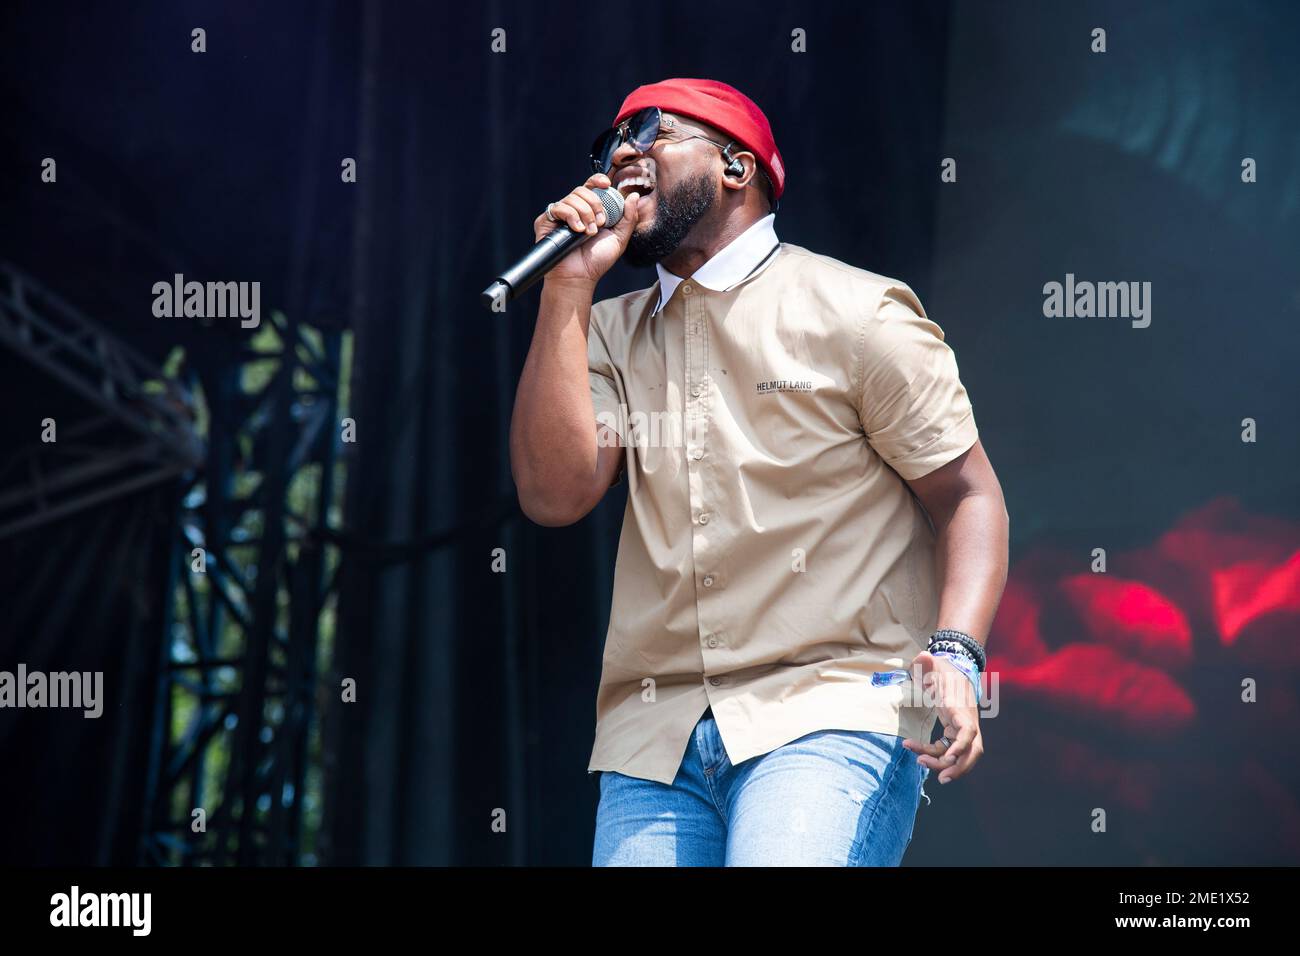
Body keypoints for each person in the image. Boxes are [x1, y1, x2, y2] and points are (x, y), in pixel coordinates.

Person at [509, 77, 1009, 866]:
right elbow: (553, 496)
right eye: (611, 145)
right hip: (653, 733)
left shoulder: (859, 309)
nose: (622, 156)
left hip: (851, 700)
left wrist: (956, 657)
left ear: (736, 167)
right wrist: (566, 288)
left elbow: (970, 497)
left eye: (653, 133)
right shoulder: (600, 331)